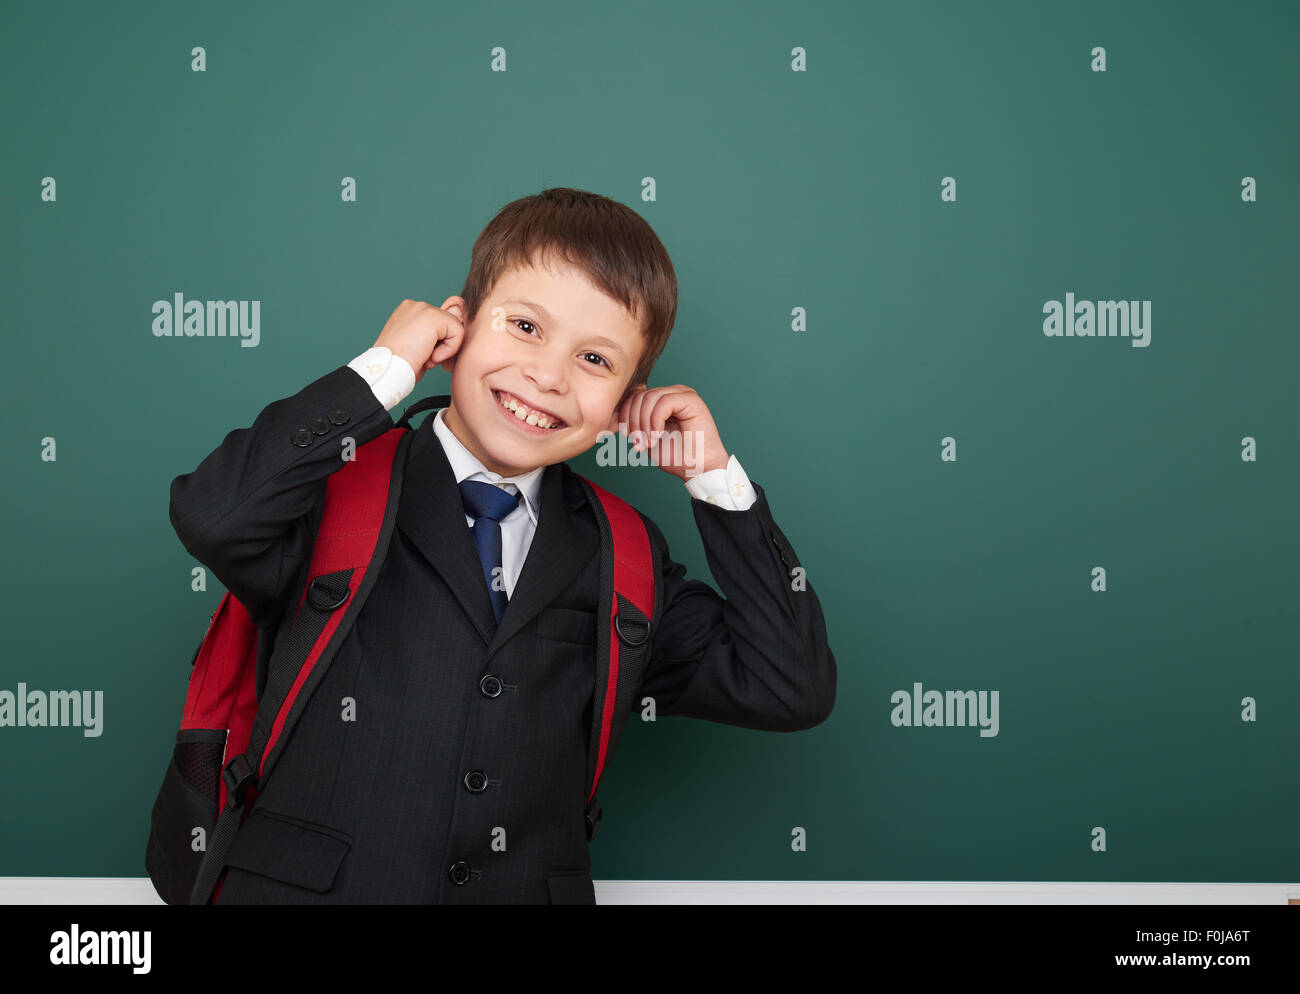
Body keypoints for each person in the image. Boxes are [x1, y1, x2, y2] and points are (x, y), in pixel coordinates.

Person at [168, 187, 837, 904]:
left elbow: (788, 686)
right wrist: (382, 372)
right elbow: (215, 516)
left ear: (622, 405)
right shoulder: (335, 488)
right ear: (454, 328)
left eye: (595, 360)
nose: (547, 377)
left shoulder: (624, 552)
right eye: (524, 325)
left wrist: (714, 479)